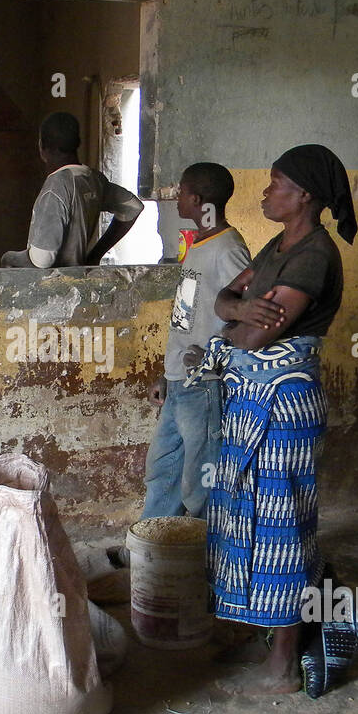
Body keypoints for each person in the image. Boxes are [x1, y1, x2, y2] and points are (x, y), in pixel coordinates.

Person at [183, 143, 358, 695]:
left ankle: (282, 665)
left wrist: (235, 328)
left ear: (303, 194)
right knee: (238, 517)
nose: (265, 190)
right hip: (250, 397)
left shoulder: (313, 255)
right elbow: (225, 303)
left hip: (282, 405)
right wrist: (235, 313)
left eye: (276, 182)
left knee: (282, 529)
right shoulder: (277, 245)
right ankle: (250, 625)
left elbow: (260, 335)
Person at [142, 163, 252, 520]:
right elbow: (187, 318)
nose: (177, 198)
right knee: (164, 470)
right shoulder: (200, 244)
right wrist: (167, 373)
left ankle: (206, 553)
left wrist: (213, 355)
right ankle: (154, 544)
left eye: (181, 192)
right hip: (179, 381)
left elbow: (245, 313)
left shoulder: (229, 248)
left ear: (199, 200)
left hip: (204, 382)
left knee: (201, 480)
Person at [2, 112, 143, 268]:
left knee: (8, 259)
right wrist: (96, 254)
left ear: (41, 146)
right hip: (78, 282)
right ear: (78, 143)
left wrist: (9, 258)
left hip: (52, 288)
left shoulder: (56, 186)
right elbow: (132, 207)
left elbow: (42, 259)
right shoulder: (93, 179)